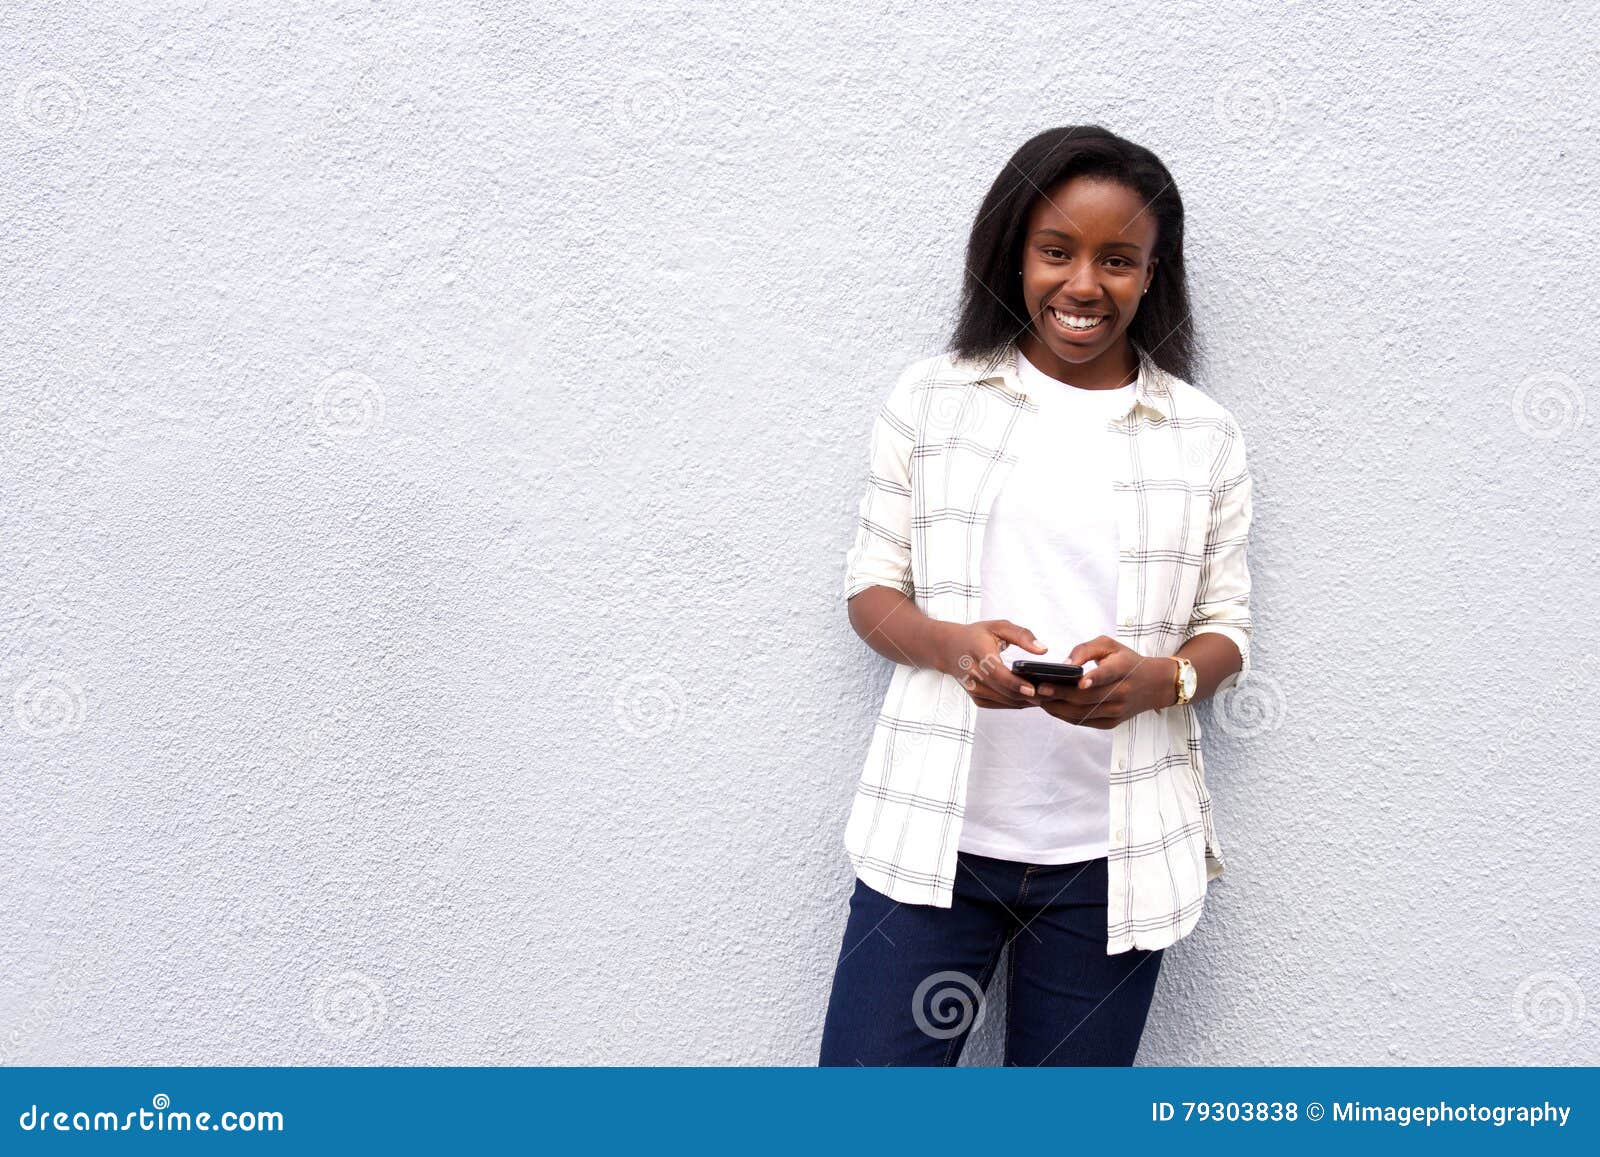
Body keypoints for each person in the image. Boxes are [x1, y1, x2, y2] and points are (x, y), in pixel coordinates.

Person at [819, 125, 1255, 1067]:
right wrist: (953, 647)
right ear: (1015, 255)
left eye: (1118, 260)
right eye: (1057, 251)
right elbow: (870, 591)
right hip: (933, 838)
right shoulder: (932, 400)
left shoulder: (1203, 434)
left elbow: (1226, 628)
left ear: (1152, 273)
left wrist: (1160, 680)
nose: (1084, 284)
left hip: (1112, 862)